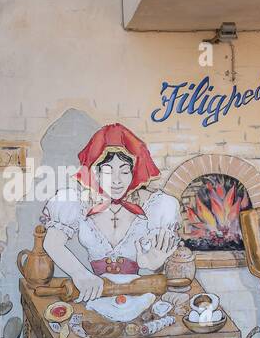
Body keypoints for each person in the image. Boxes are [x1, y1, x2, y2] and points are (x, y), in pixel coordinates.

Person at [40, 123, 180, 303]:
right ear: (96, 172)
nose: (116, 181)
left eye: (124, 171)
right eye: (108, 171)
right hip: (93, 297)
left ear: (133, 172)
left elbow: (158, 265)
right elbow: (51, 243)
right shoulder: (77, 201)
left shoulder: (156, 205)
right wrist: (80, 274)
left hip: (140, 297)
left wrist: (152, 264)